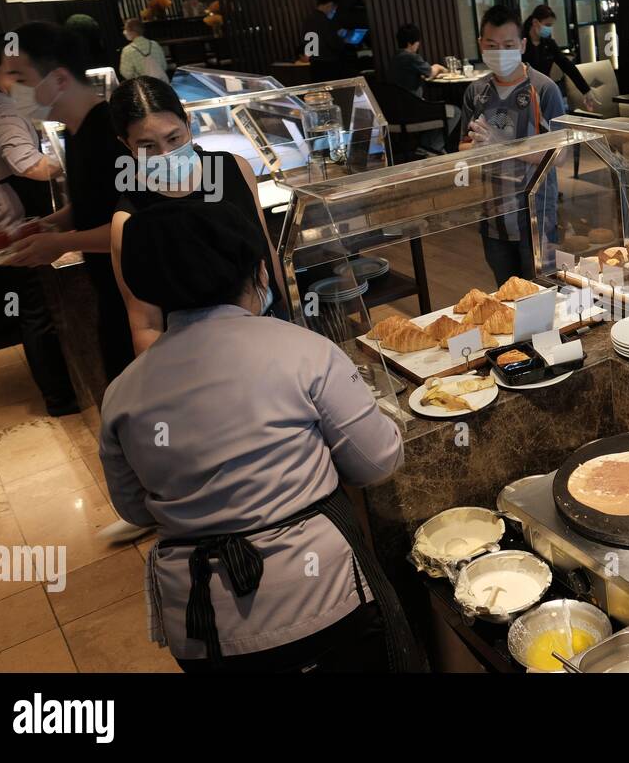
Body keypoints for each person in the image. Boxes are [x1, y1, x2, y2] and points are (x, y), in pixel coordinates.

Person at [100, 199, 425, 673]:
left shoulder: (122, 392)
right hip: (320, 603)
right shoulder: (305, 351)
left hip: (203, 626)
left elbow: (133, 507)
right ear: (259, 272)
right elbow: (376, 462)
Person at [107, 76, 288, 355]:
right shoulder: (130, 220)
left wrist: (292, 320)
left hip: (269, 332)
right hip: (199, 357)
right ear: (126, 144)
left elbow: (266, 252)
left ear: (188, 122)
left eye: (173, 138)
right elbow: (146, 326)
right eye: (148, 146)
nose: (166, 153)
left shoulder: (234, 169)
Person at [3, 21, 135, 389]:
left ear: (59, 79)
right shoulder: (74, 132)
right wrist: (47, 225)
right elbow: (94, 205)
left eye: (20, 77)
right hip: (111, 293)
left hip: (139, 299)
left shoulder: (110, 134)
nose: (12, 89)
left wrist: (60, 243)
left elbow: (132, 227)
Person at [0, 33, 78, 416]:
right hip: (10, 212)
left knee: (26, 304)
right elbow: (26, 164)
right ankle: (60, 397)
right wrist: (67, 165)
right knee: (36, 305)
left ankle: (56, 390)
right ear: (9, 66)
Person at [460, 5, 564, 284]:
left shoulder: (543, 89)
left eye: (508, 45)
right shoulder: (476, 92)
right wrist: (479, 148)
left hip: (536, 217)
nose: (500, 51)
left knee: (544, 296)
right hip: (492, 217)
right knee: (506, 297)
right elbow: (462, 148)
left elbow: (559, 154)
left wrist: (500, 143)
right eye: (492, 45)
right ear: (481, 45)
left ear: (522, 45)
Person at [391, 23, 461, 154]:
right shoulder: (411, 57)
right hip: (413, 110)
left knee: (441, 111)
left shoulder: (395, 58)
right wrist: (439, 67)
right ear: (412, 43)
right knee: (455, 111)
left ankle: (426, 145)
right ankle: (433, 147)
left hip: (396, 112)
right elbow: (430, 72)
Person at [522, 4, 595, 111]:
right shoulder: (521, 42)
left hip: (544, 91)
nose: (549, 29)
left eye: (551, 25)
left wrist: (586, 90)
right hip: (524, 93)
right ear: (535, 23)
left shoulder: (549, 43)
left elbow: (567, 66)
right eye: (547, 25)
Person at [302, 0, 351, 81]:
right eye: (334, 8)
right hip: (329, 64)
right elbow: (333, 43)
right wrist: (341, 37)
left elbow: (307, 44)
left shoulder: (308, 19)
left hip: (314, 64)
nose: (334, 11)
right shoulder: (325, 21)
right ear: (330, 5)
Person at [118, 18, 169, 82]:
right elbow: (164, 66)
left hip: (143, 86)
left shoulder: (127, 50)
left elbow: (126, 73)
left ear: (132, 32)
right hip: (162, 83)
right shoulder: (154, 44)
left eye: (126, 29)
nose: (124, 32)